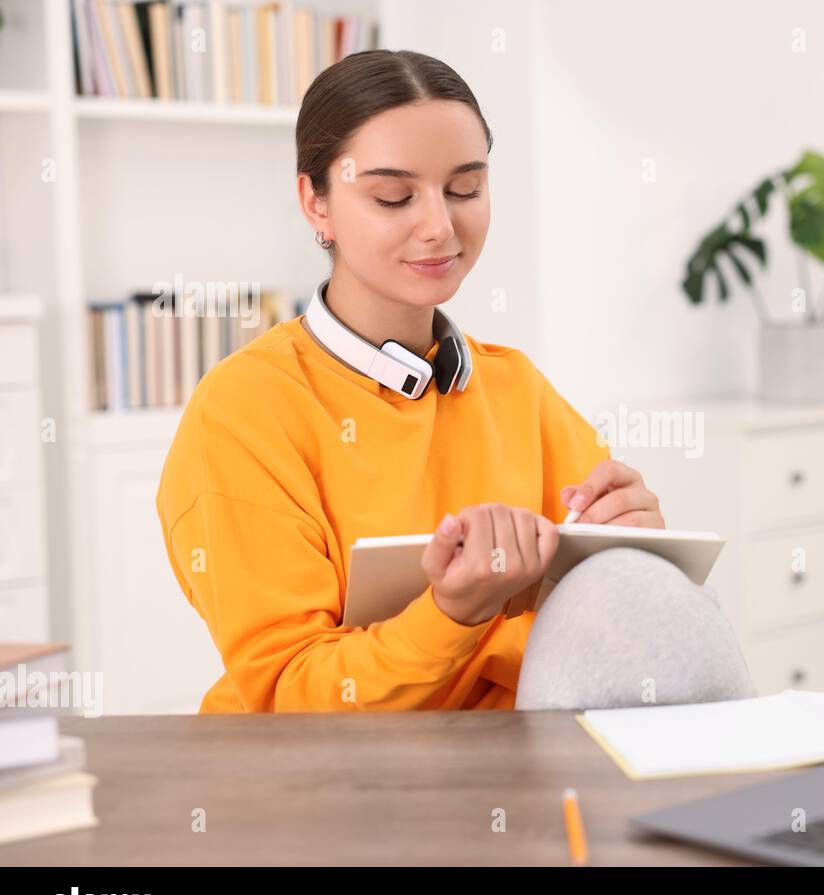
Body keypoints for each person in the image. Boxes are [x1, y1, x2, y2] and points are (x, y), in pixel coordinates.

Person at [154, 49, 755, 713]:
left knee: (659, 596)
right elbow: (292, 696)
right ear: (314, 203)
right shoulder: (244, 410)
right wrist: (452, 613)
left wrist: (636, 538)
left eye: (465, 188)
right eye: (393, 196)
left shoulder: (515, 388)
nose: (440, 226)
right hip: (329, 783)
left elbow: (610, 624)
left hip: (518, 766)